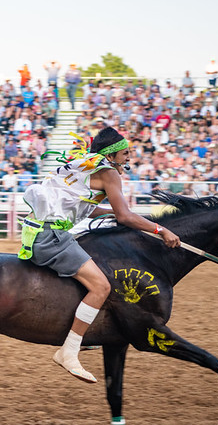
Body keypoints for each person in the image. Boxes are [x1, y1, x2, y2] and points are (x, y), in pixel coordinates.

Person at [19, 127, 180, 383]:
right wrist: (161, 230)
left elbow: (81, 205)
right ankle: (68, 352)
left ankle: (82, 334)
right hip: (50, 236)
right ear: (113, 154)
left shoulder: (84, 163)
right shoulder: (108, 173)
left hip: (37, 231)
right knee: (101, 286)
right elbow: (126, 216)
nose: (129, 157)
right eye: (126, 153)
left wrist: (110, 212)